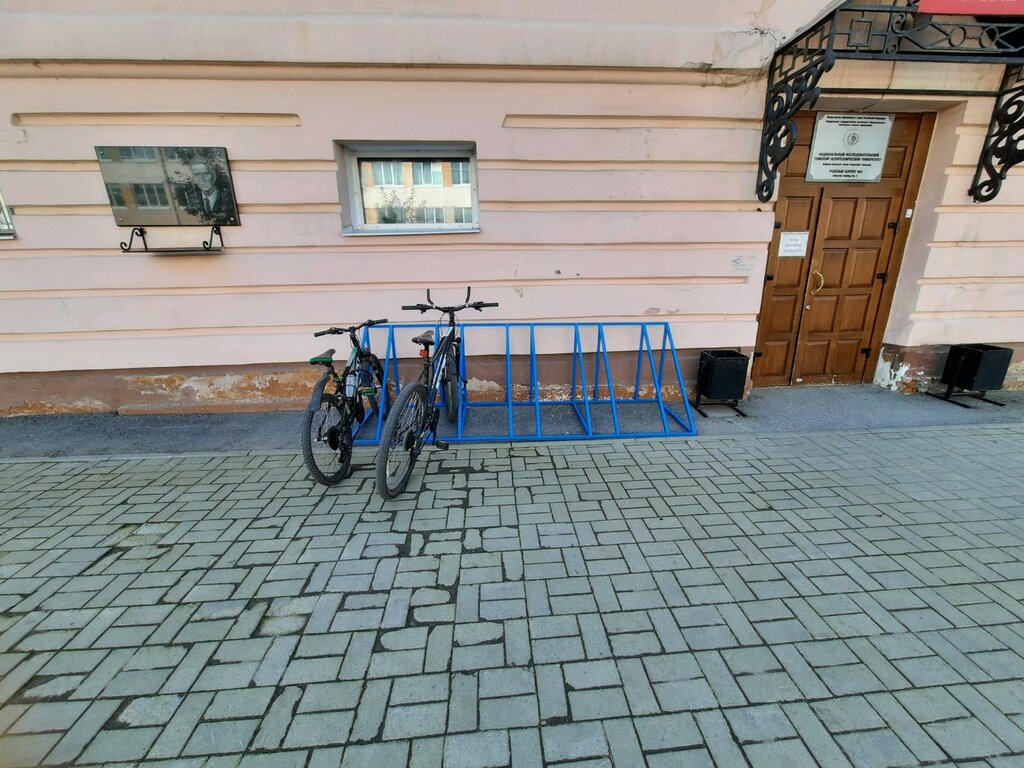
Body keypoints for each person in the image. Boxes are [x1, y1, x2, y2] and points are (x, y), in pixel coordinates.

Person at [175, 157, 237, 224]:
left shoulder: (229, 198)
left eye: (206, 174)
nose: (202, 179)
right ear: (194, 179)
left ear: (214, 176)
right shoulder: (192, 202)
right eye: (197, 175)